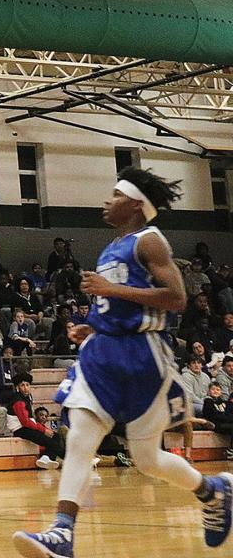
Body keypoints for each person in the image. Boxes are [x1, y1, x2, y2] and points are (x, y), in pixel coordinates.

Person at [15, 167, 233, 557]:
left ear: (135, 204)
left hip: (143, 355)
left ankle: (213, 490)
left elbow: (176, 298)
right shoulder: (112, 245)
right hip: (104, 352)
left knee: (147, 459)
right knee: (80, 436)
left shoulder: (150, 242)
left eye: (115, 195)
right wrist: (92, 329)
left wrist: (109, 288)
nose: (106, 201)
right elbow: (115, 305)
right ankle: (62, 532)